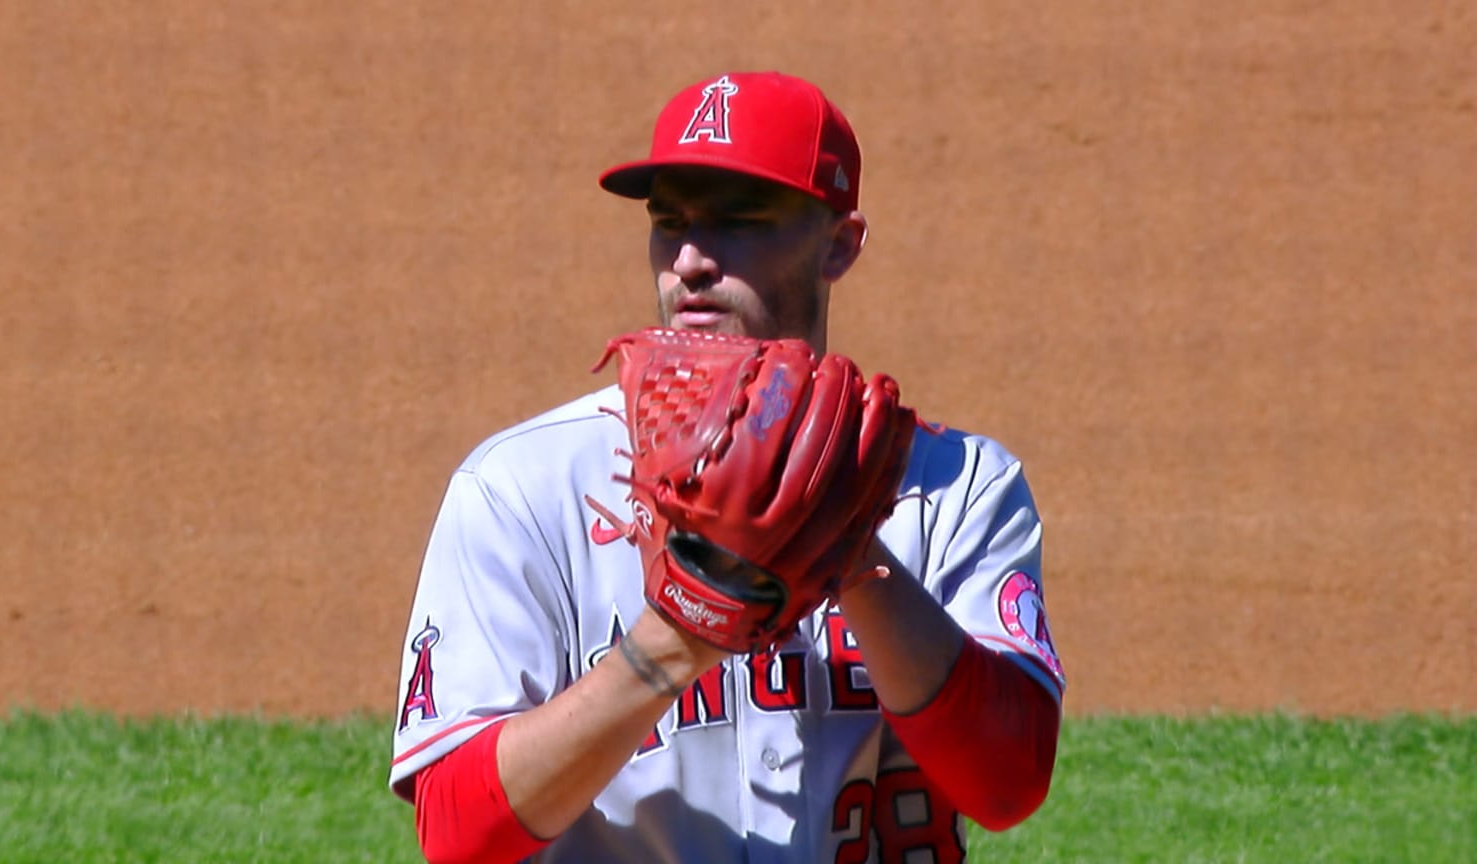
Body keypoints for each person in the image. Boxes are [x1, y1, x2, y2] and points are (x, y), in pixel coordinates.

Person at [388, 70, 1066, 864]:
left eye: (739, 222)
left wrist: (848, 550)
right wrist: (668, 646)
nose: (690, 260)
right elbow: (457, 835)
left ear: (839, 245)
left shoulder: (956, 488)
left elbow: (1006, 784)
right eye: (669, 222)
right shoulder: (524, 490)